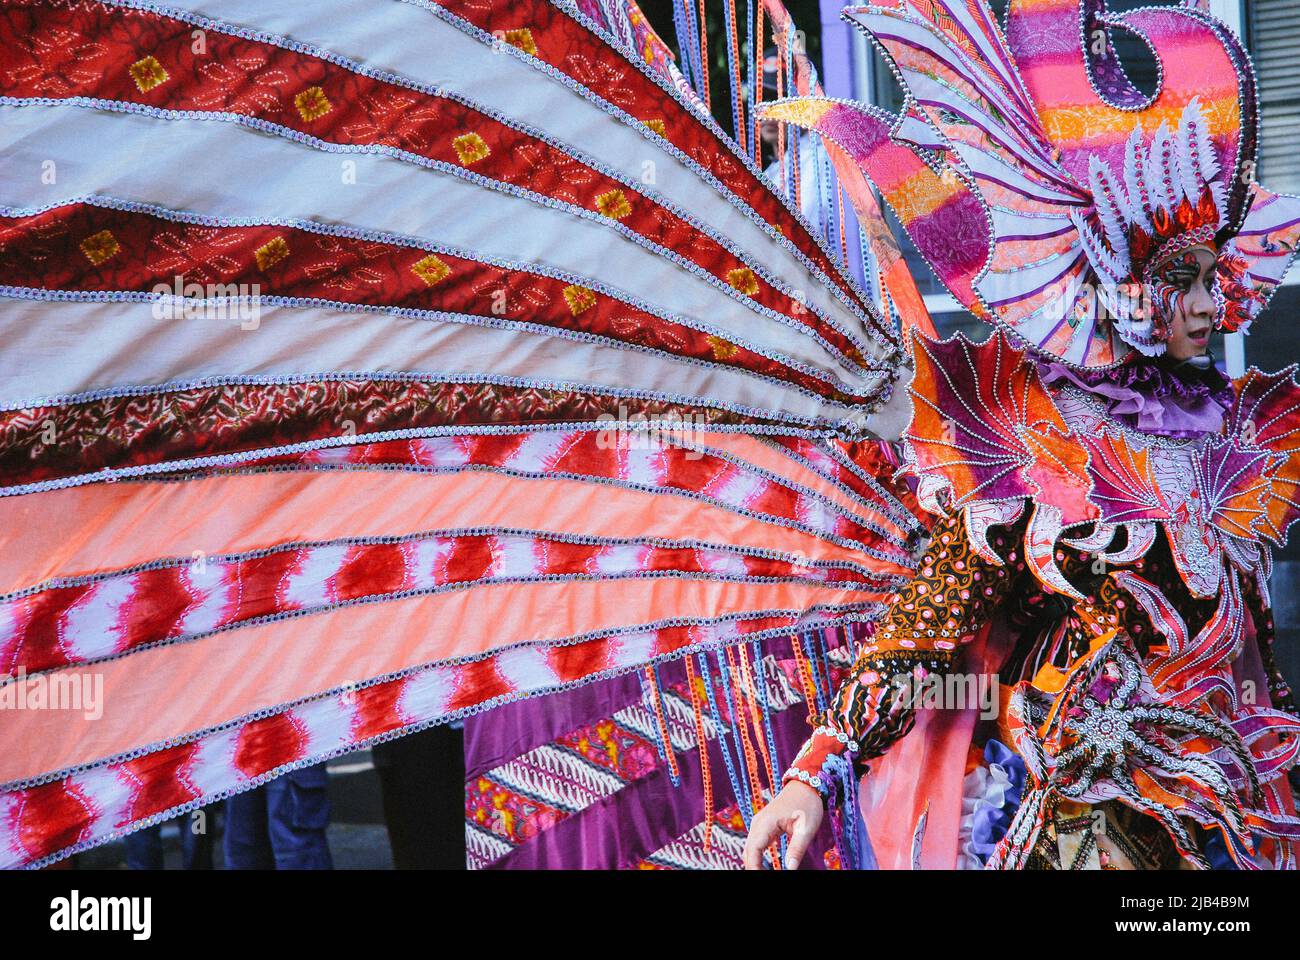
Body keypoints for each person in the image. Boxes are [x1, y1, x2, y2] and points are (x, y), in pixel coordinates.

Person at [746, 0, 1300, 869]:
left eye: (1214, 275)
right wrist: (813, 773)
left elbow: (1254, 652)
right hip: (1094, 823)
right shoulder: (1030, 438)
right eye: (1181, 278)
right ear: (1121, 282)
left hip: (1232, 817)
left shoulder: (1234, 428)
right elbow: (929, 631)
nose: (1207, 303)